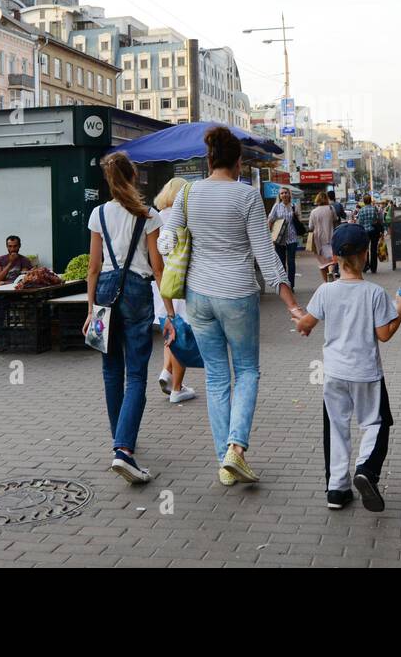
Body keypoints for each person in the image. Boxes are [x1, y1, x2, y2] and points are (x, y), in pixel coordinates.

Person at [158, 126, 302, 486]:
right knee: (247, 371)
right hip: (237, 294)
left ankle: (225, 461)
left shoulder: (189, 192)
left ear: (209, 159)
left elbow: (165, 242)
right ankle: (236, 450)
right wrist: (292, 304)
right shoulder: (247, 197)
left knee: (217, 377)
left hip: (198, 297)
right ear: (238, 161)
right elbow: (265, 255)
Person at [292, 223, 401, 512]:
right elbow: (384, 334)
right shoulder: (375, 293)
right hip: (366, 373)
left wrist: (299, 319)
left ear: (335, 257)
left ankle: (337, 489)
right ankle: (366, 471)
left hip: (333, 373)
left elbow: (306, 325)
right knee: (375, 422)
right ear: (365, 254)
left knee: (336, 427)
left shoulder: (325, 291)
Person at [86, 152, 175, 484]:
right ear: (134, 176)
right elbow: (158, 266)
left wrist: (90, 309)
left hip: (106, 291)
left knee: (111, 371)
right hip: (137, 290)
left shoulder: (98, 214)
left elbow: (93, 268)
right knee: (136, 375)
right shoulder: (148, 215)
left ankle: (119, 443)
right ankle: (124, 450)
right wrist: (169, 310)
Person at [153, 177, 195, 405]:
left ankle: (166, 374)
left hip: (161, 286)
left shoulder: (157, 218)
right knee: (183, 337)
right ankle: (177, 387)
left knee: (170, 336)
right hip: (181, 284)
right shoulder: (185, 220)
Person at [267, 186, 301, 289]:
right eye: (282, 193)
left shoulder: (294, 206)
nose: (284, 195)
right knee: (281, 263)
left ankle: (291, 286)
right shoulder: (276, 206)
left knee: (291, 262)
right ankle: (284, 285)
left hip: (292, 238)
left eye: (286, 193)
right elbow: (270, 220)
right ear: (279, 196)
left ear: (289, 194)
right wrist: (270, 236)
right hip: (279, 238)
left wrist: (296, 215)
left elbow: (297, 220)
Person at [308, 192, 337, 283]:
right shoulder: (331, 209)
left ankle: (326, 282)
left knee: (322, 263)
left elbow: (310, 227)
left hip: (318, 241)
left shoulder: (313, 212)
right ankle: (331, 272)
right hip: (331, 237)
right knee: (332, 260)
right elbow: (335, 220)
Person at [355, 193, 384, 273]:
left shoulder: (361, 210)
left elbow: (359, 222)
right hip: (374, 231)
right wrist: (382, 230)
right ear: (370, 200)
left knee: (365, 249)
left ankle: (365, 266)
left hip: (365, 232)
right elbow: (379, 219)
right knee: (373, 249)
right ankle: (373, 268)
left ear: (364, 201)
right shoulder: (374, 208)